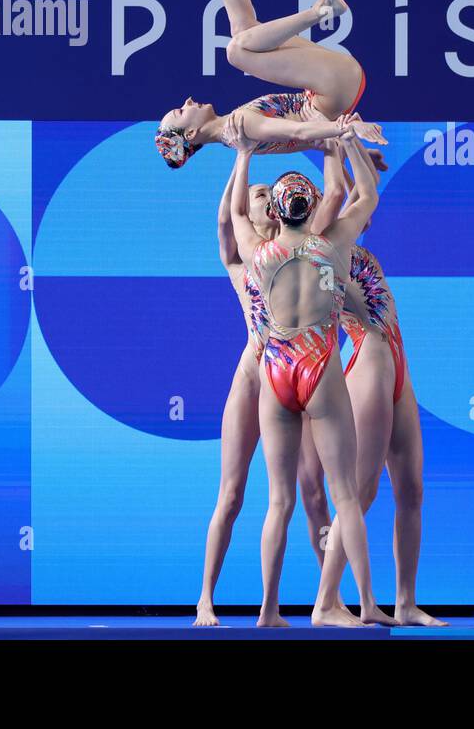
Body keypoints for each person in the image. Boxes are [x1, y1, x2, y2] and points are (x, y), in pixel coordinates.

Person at [227, 134, 394, 627]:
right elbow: (363, 194)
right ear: (312, 207)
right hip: (319, 368)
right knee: (345, 494)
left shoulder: (258, 252)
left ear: (276, 214)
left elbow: (238, 211)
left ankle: (268, 610)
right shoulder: (335, 245)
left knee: (279, 500)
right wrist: (337, 143)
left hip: (276, 372)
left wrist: (243, 154)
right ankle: (365, 606)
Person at [195, 144, 347, 627]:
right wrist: (239, 165)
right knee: (233, 495)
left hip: (302, 378)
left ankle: (330, 598)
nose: (261, 199)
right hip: (255, 381)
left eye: (269, 194)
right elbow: (228, 217)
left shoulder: (298, 247)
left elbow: (331, 204)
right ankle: (205, 599)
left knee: (314, 494)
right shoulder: (242, 260)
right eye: (256, 194)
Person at [309, 142, 445, 626]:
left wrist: (347, 146)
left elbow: (364, 193)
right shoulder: (322, 253)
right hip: (368, 360)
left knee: (411, 489)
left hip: (395, 364)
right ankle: (326, 602)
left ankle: (405, 602)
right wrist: (335, 139)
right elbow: (341, 189)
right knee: (359, 491)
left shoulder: (345, 240)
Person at [155, 0, 386, 170]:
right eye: (180, 111)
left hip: (333, 89)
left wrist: (358, 152)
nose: (187, 101)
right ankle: (321, 11)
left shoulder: (236, 132)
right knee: (236, 51)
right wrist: (348, 128)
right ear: (190, 134)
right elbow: (300, 133)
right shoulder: (240, 125)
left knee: (244, 30)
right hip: (335, 89)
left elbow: (308, 137)